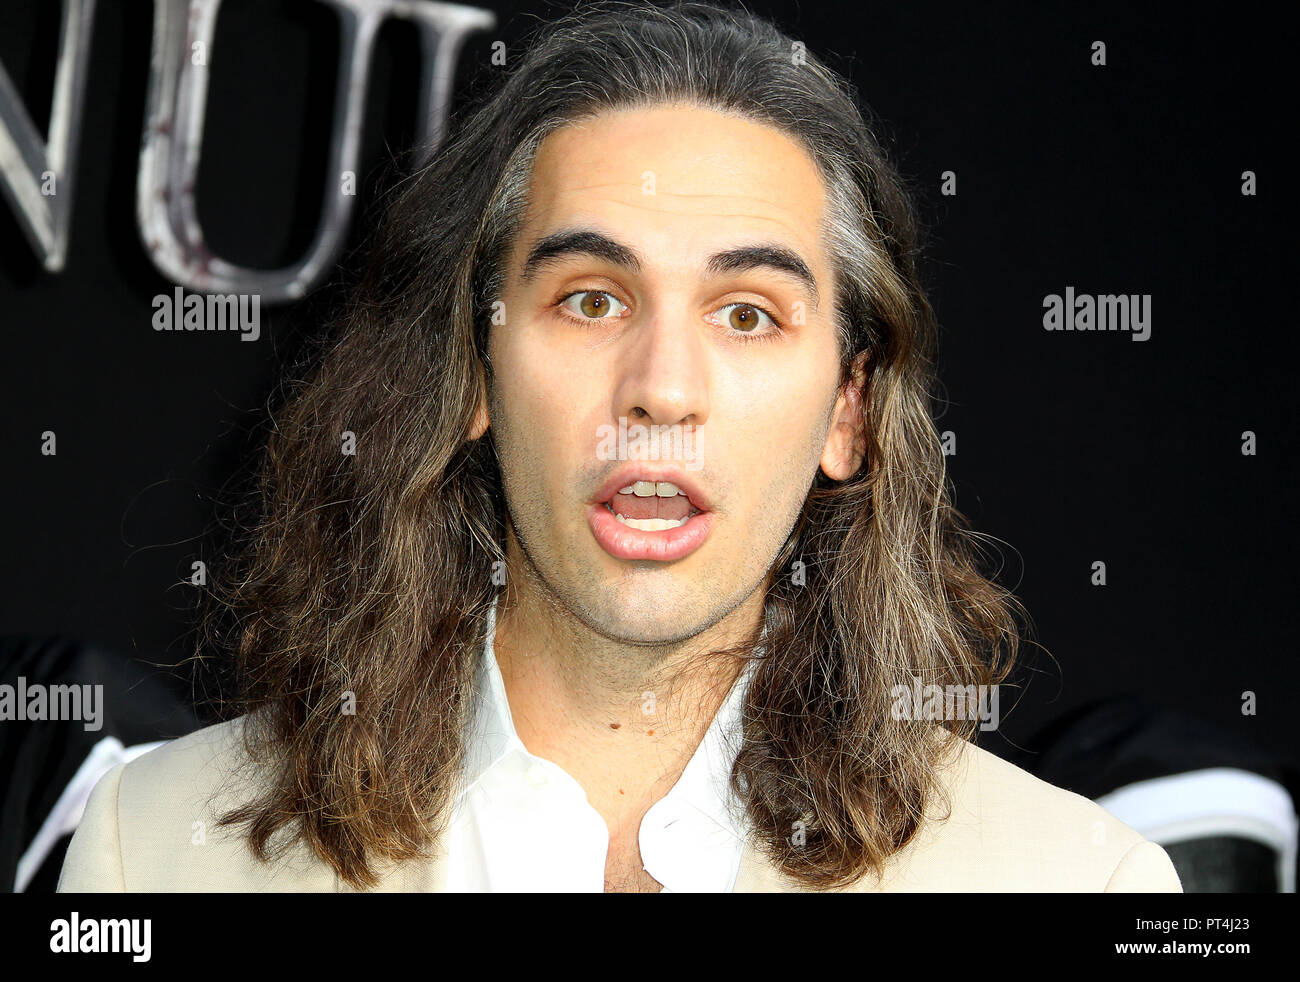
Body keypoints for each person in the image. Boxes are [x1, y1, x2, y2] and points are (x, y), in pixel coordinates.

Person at [58, 0, 1181, 893]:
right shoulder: (150, 852)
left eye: (747, 312)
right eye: (592, 299)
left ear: (848, 410)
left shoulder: (1079, 882)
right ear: (473, 373)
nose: (660, 389)